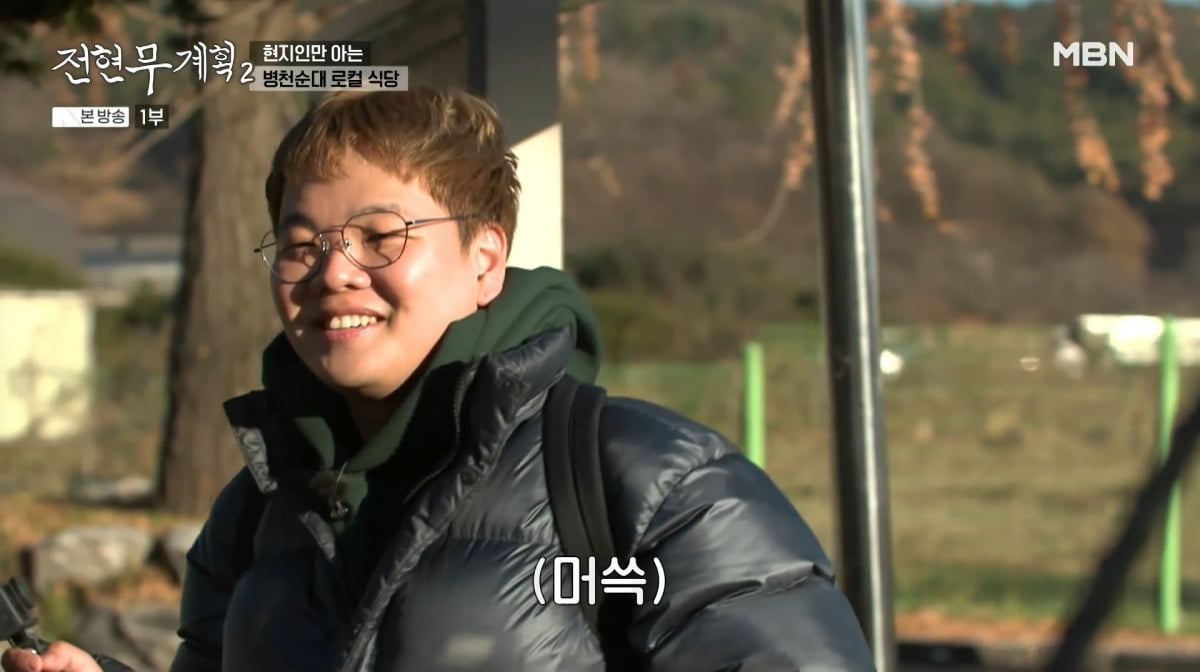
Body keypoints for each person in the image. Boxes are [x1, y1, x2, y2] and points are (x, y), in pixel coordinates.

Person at [2, 86, 874, 672]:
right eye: (302, 245)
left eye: (381, 238)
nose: (333, 273)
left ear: (485, 259)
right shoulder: (258, 512)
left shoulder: (649, 483)